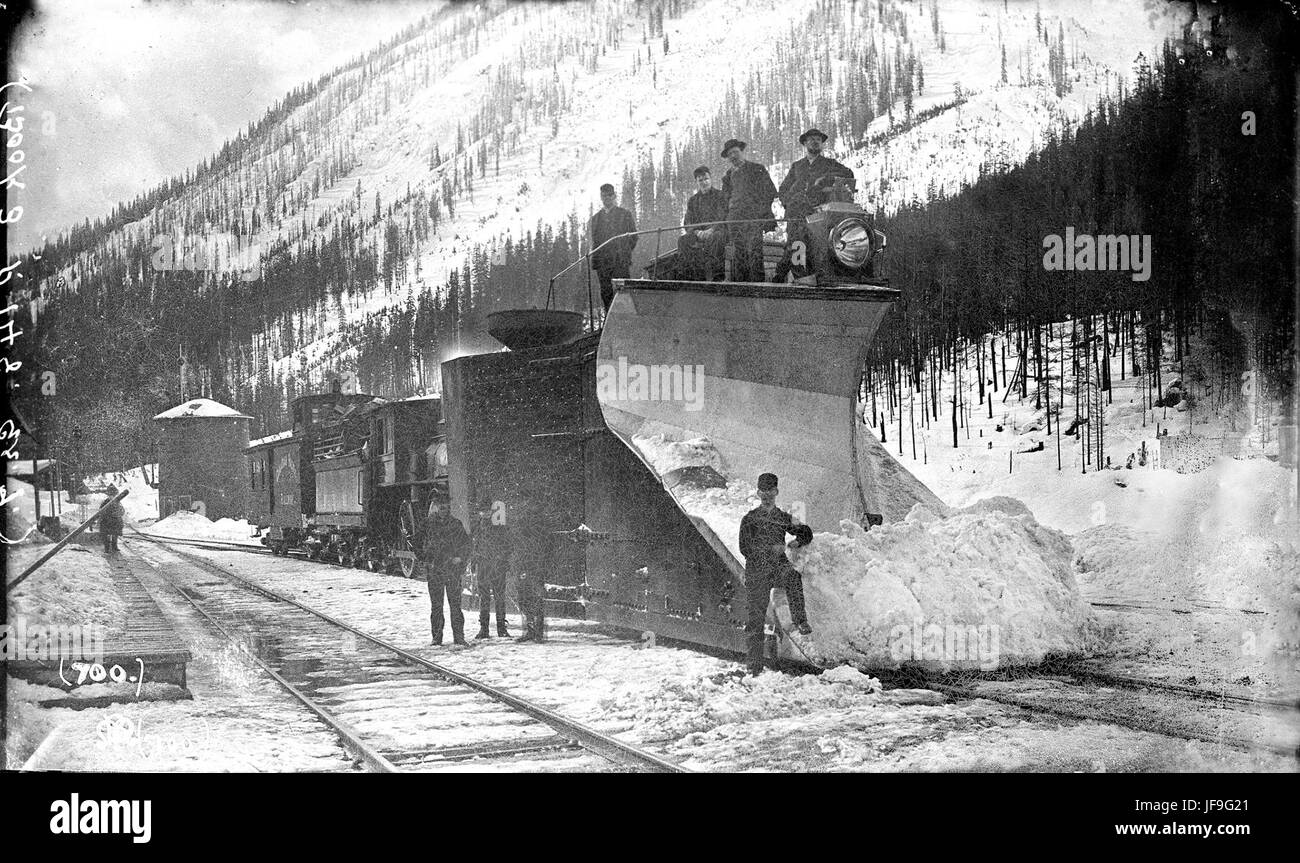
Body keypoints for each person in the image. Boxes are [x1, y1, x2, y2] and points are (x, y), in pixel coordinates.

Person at [737, 473, 814, 675]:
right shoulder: (749, 519)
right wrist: (771, 549)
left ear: (776, 492)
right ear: (758, 493)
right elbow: (744, 548)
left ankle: (800, 620)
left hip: (777, 567)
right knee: (755, 620)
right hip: (757, 571)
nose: (766, 495)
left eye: (770, 491)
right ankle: (754, 667)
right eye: (763, 491)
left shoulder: (783, 517)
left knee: (793, 576)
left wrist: (797, 541)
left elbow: (806, 531)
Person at [775, 128, 855, 282]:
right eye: (812, 139)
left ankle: (786, 275)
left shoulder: (829, 164)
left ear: (822, 144)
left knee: (811, 246)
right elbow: (783, 189)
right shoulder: (797, 166)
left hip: (816, 215)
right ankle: (796, 277)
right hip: (795, 214)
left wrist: (826, 178)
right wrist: (788, 202)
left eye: (818, 140)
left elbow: (848, 174)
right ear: (805, 143)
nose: (815, 142)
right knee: (796, 244)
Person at [719, 138, 777, 283]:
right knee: (739, 253)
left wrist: (760, 212)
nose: (733, 156)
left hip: (753, 218)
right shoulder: (727, 176)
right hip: (735, 220)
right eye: (730, 154)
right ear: (727, 157)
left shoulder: (757, 169)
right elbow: (725, 199)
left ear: (741, 152)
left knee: (755, 251)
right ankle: (740, 287)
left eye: (735, 152)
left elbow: (770, 191)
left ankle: (758, 287)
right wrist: (729, 213)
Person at [417, 499, 471, 645]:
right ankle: (437, 637)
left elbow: (466, 544)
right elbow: (417, 541)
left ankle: (459, 637)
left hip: (451, 570)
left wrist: (460, 558)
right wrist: (424, 558)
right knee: (436, 606)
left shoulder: (456, 524)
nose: (444, 511)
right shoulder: (428, 524)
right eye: (441, 508)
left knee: (455, 605)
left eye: (446, 508)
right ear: (436, 508)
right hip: (435, 569)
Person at [589, 184, 638, 312]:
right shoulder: (596, 219)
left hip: (619, 261)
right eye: (604, 195)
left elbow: (633, 237)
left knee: (623, 293)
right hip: (603, 263)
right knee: (606, 293)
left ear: (614, 196)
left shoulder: (625, 215)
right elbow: (595, 241)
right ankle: (609, 322)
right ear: (601, 197)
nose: (607, 198)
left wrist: (624, 252)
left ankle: (626, 322)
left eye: (610, 195)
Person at [676, 166, 728, 280]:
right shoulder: (693, 200)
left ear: (711, 179)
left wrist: (712, 229)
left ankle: (717, 278)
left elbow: (723, 217)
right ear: (697, 182)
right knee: (683, 240)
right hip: (699, 233)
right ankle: (694, 277)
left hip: (717, 231)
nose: (704, 182)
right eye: (700, 180)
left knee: (716, 238)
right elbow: (688, 221)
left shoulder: (720, 196)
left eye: (706, 179)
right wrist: (696, 231)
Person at [470, 495, 511, 639]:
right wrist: (473, 562)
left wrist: (503, 561)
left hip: (497, 566)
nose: (485, 513)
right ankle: (484, 629)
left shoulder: (499, 526)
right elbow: (473, 546)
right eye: (482, 511)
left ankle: (501, 629)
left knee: (499, 598)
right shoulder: (476, 526)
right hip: (483, 566)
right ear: (479, 512)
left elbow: (507, 545)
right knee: (484, 597)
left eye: (487, 511)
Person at [512, 510, 550, 643]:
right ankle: (531, 631)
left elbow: (538, 552)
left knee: (535, 601)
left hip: (534, 570)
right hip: (524, 570)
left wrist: (526, 569)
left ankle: (537, 633)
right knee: (524, 601)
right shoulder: (522, 531)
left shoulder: (536, 532)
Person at [100, 486, 125, 554]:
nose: (112, 496)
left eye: (114, 495)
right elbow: (101, 511)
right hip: (107, 521)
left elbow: (122, 511)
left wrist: (118, 514)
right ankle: (107, 548)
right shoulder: (105, 502)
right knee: (106, 535)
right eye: (111, 495)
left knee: (115, 534)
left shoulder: (118, 502)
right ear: (108, 495)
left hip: (115, 521)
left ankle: (114, 546)